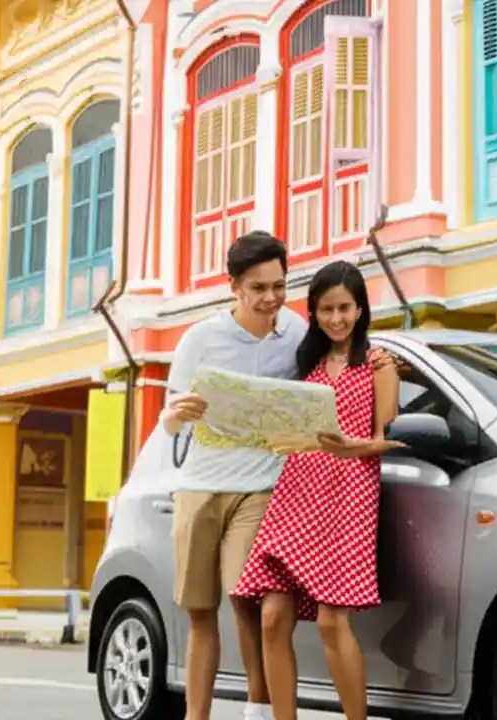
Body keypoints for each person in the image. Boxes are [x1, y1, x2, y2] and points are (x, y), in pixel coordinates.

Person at [161, 233, 390, 720]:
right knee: (206, 613)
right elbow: (170, 420)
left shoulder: (300, 335)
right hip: (215, 485)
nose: (270, 298)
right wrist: (177, 414)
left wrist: (381, 359)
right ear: (234, 288)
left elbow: (363, 405)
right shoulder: (202, 339)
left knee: (252, 603)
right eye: (258, 287)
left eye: (278, 286)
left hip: (277, 488)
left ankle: (259, 710)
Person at [231, 260, 402, 720]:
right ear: (314, 312)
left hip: (349, 491)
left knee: (331, 619)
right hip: (297, 489)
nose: (336, 319)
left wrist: (351, 448)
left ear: (361, 308)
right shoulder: (306, 363)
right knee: (270, 616)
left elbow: (387, 437)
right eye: (326, 309)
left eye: (345, 308)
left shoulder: (378, 363)